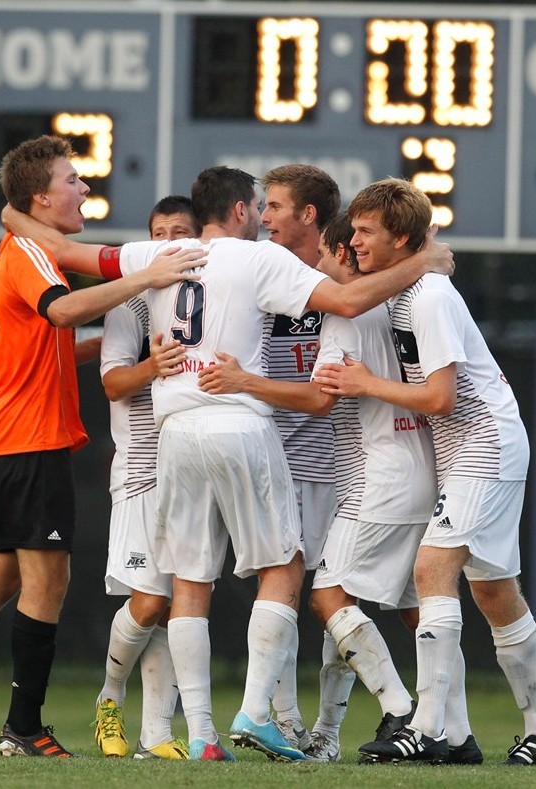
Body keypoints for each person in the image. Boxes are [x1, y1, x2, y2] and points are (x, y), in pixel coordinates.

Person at [3, 165, 449, 762]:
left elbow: (61, 251)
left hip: (175, 430)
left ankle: (203, 736)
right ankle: (256, 714)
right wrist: (424, 261)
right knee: (284, 568)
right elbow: (346, 297)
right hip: (239, 421)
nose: (262, 217)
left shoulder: (155, 255)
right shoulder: (257, 258)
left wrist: (10, 213)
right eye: (258, 207)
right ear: (240, 211)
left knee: (190, 581)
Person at [0, 135, 204, 758]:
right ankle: (24, 727)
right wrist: (147, 275)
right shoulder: (31, 250)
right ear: (40, 197)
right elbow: (61, 313)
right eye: (72, 180)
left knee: (0, 575)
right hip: (25, 439)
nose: (84, 189)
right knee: (48, 579)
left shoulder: (25, 250)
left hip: (6, 437)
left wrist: (121, 349)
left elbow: (50, 343)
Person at [198, 212, 479, 765]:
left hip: (379, 477)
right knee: (416, 611)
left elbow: (319, 398)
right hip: (415, 468)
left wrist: (243, 381)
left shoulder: (345, 319)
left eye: (328, 253)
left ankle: (402, 711)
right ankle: (456, 733)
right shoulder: (396, 304)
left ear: (342, 255)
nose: (319, 263)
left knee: (328, 597)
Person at [315, 177, 536, 765]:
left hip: (484, 443)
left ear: (402, 238)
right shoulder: (408, 288)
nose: (355, 240)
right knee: (494, 590)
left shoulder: (427, 296)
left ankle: (427, 727)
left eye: (366, 230)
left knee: (432, 569)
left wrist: (363, 383)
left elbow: (440, 398)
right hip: (473, 448)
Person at [91, 196, 199, 761]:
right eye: (159, 233)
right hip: (142, 469)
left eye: (180, 232)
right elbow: (112, 383)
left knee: (178, 601)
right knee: (150, 599)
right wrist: (153, 368)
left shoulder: (209, 295)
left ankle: (156, 734)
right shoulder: (131, 298)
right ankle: (109, 698)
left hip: (193, 466)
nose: (169, 243)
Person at [256, 165, 343, 752]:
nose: (264, 217)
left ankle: (329, 732)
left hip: (349, 467)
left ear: (308, 215)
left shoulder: (347, 280)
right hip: (281, 464)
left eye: (275, 206)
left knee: (340, 600)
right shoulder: (261, 275)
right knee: (281, 591)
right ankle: (285, 721)